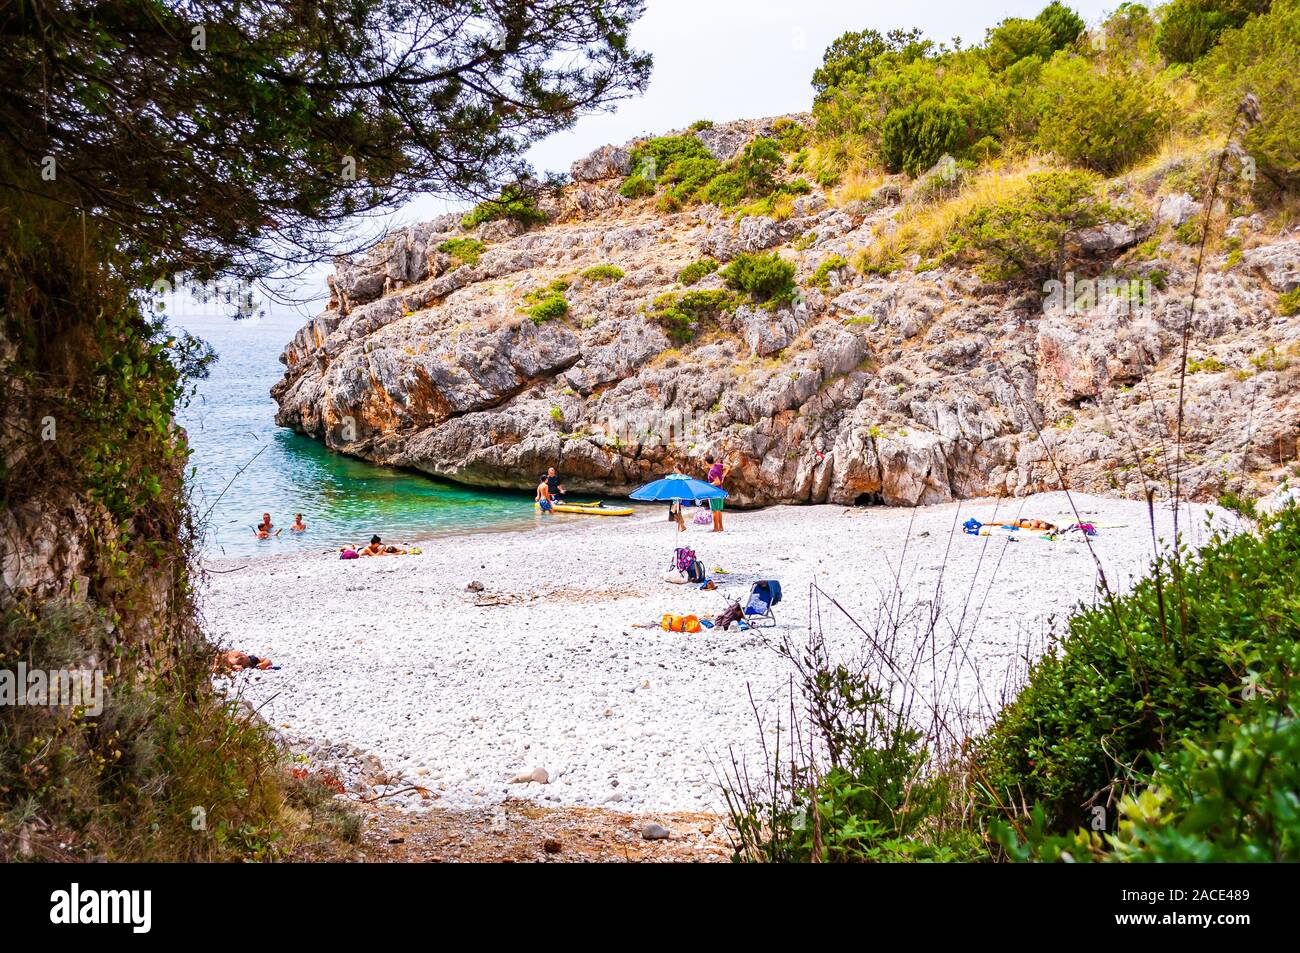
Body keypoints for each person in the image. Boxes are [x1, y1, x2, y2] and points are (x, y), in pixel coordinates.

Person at [705, 454, 728, 532]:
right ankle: (720, 527)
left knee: (715, 510)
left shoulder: (712, 471)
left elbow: (717, 482)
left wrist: (708, 485)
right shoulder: (717, 465)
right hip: (720, 491)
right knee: (719, 510)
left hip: (714, 493)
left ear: (706, 462)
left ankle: (716, 528)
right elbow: (728, 467)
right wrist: (723, 476)